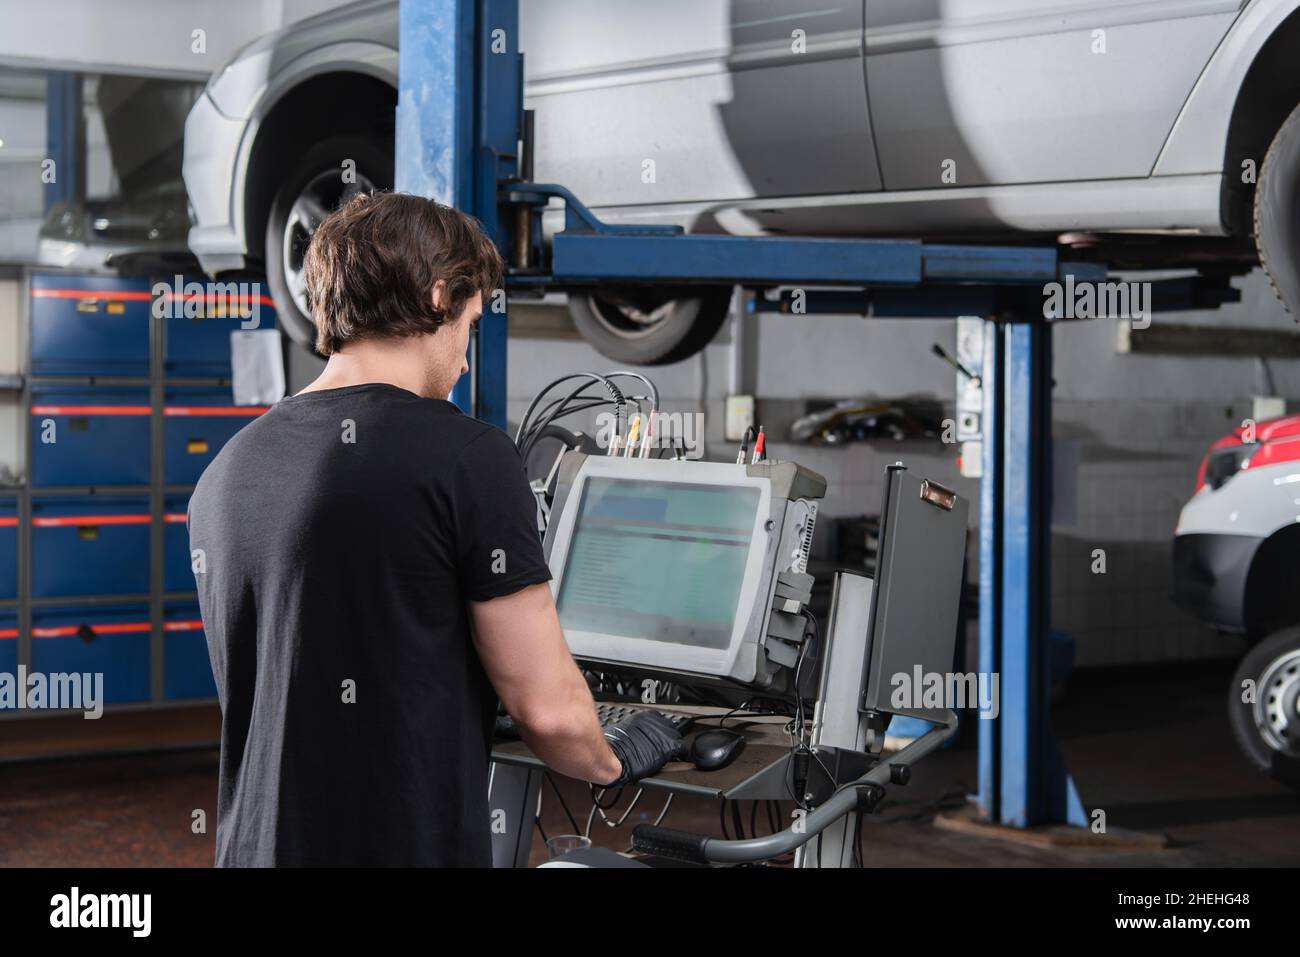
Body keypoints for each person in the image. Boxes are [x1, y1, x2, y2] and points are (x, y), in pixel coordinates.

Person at [188, 191, 684, 866]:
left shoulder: (226, 470)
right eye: (471, 324)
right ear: (437, 295)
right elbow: (548, 710)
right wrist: (614, 760)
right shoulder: (466, 457)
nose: (465, 359)